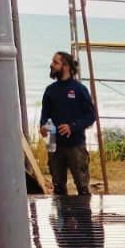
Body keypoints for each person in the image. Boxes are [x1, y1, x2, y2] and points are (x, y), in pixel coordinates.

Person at [40, 51, 97, 197]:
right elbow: (45, 114)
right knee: (58, 187)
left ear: (65, 67)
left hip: (75, 145)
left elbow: (91, 116)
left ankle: (84, 217)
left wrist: (72, 127)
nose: (51, 65)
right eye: (52, 62)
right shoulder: (50, 90)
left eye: (55, 62)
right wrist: (43, 126)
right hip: (54, 143)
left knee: (82, 188)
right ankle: (62, 219)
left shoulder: (79, 90)